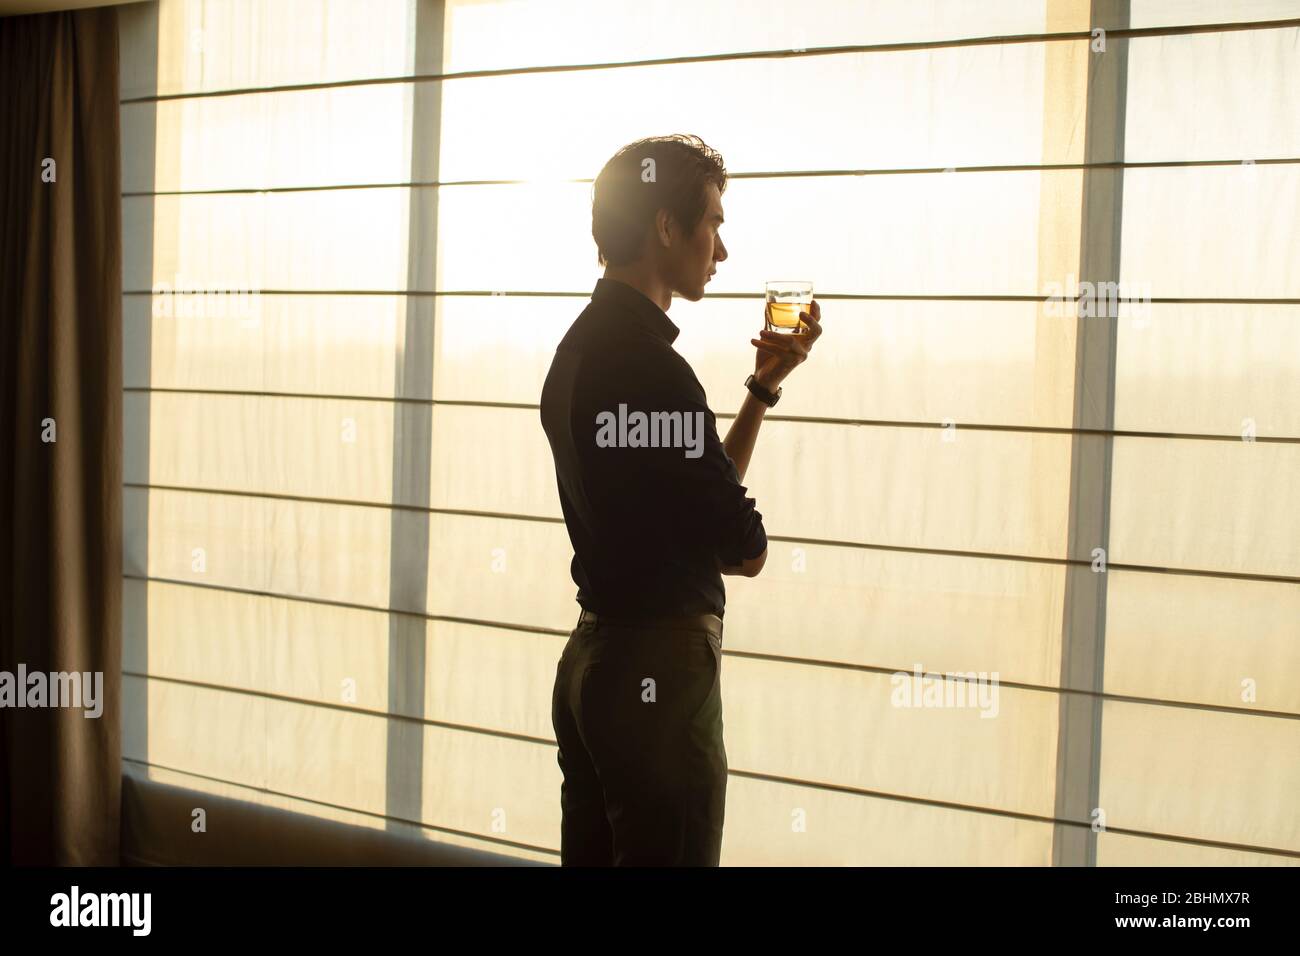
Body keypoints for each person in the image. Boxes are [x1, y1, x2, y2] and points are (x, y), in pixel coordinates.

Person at [539, 133, 823, 865]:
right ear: (666, 227)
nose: (721, 251)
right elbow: (743, 546)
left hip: (593, 666)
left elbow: (690, 492)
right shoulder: (653, 372)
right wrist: (745, 536)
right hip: (657, 678)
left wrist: (762, 388)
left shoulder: (576, 354)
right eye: (713, 224)